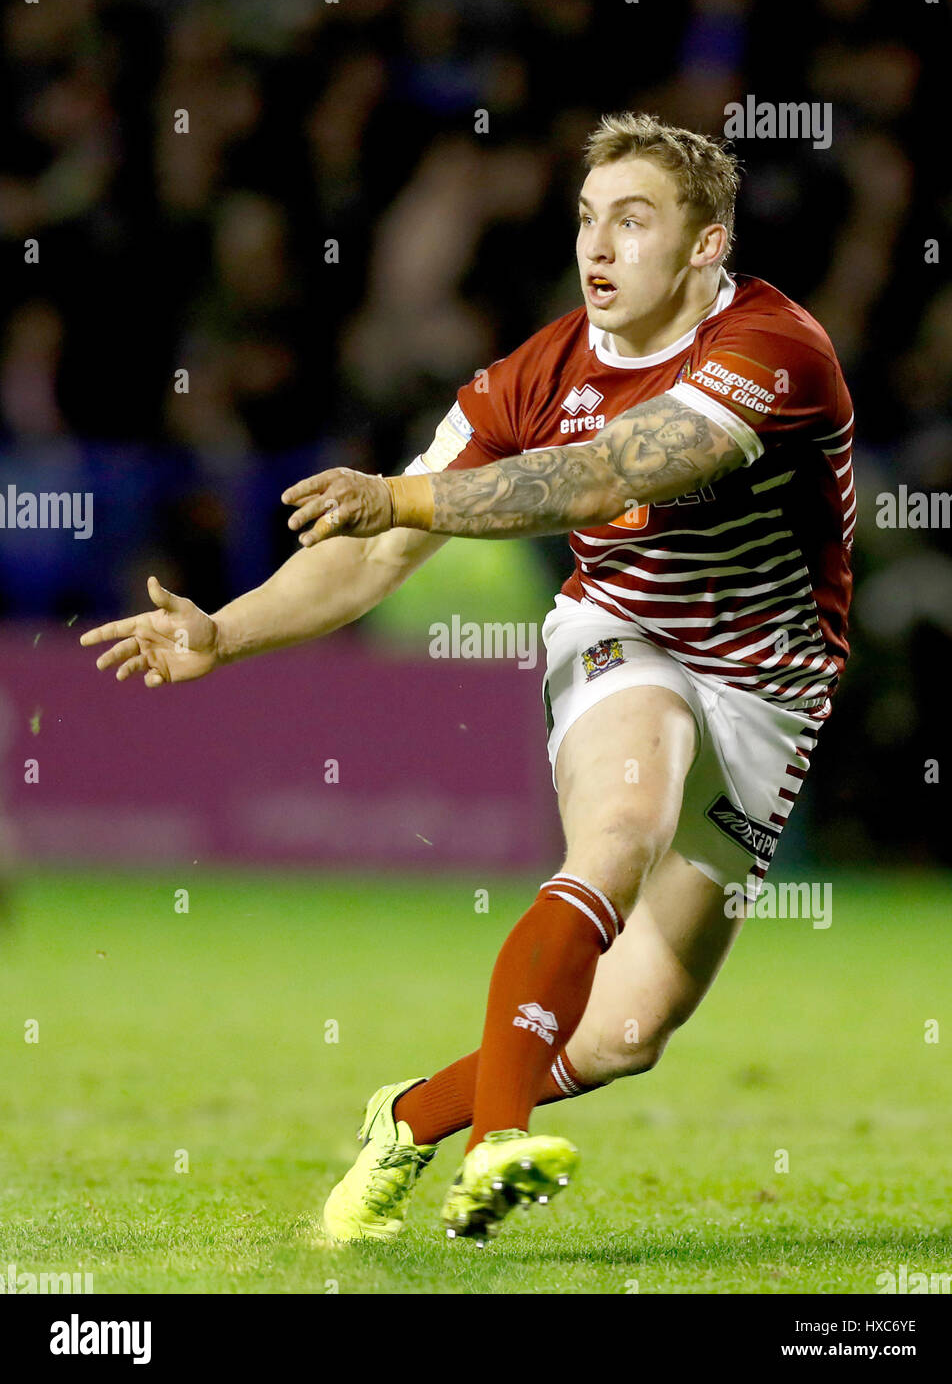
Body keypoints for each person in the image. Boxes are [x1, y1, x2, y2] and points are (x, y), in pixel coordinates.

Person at [80, 113, 854, 1245]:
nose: (598, 247)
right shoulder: (532, 376)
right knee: (619, 830)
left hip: (766, 694)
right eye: (587, 219)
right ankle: (496, 1144)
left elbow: (608, 475)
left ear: (706, 245)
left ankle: (408, 1116)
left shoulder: (775, 350)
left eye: (633, 222)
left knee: (627, 1032)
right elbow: (376, 553)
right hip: (623, 635)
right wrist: (224, 633)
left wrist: (399, 493)